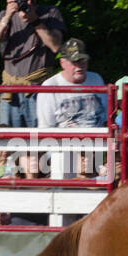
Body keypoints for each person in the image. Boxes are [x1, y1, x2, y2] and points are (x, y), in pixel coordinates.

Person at [0, 0, 66, 129]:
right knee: (8, 143)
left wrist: (35, 21)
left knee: (39, 143)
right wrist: (7, 17)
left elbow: (55, 46)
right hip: (10, 91)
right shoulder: (5, 16)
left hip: (39, 90)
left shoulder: (50, 13)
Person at [37, 39, 107, 178]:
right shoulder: (50, 86)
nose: (79, 65)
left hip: (97, 148)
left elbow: (104, 119)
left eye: (82, 60)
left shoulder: (96, 79)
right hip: (64, 149)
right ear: (62, 62)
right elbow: (46, 130)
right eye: (74, 61)